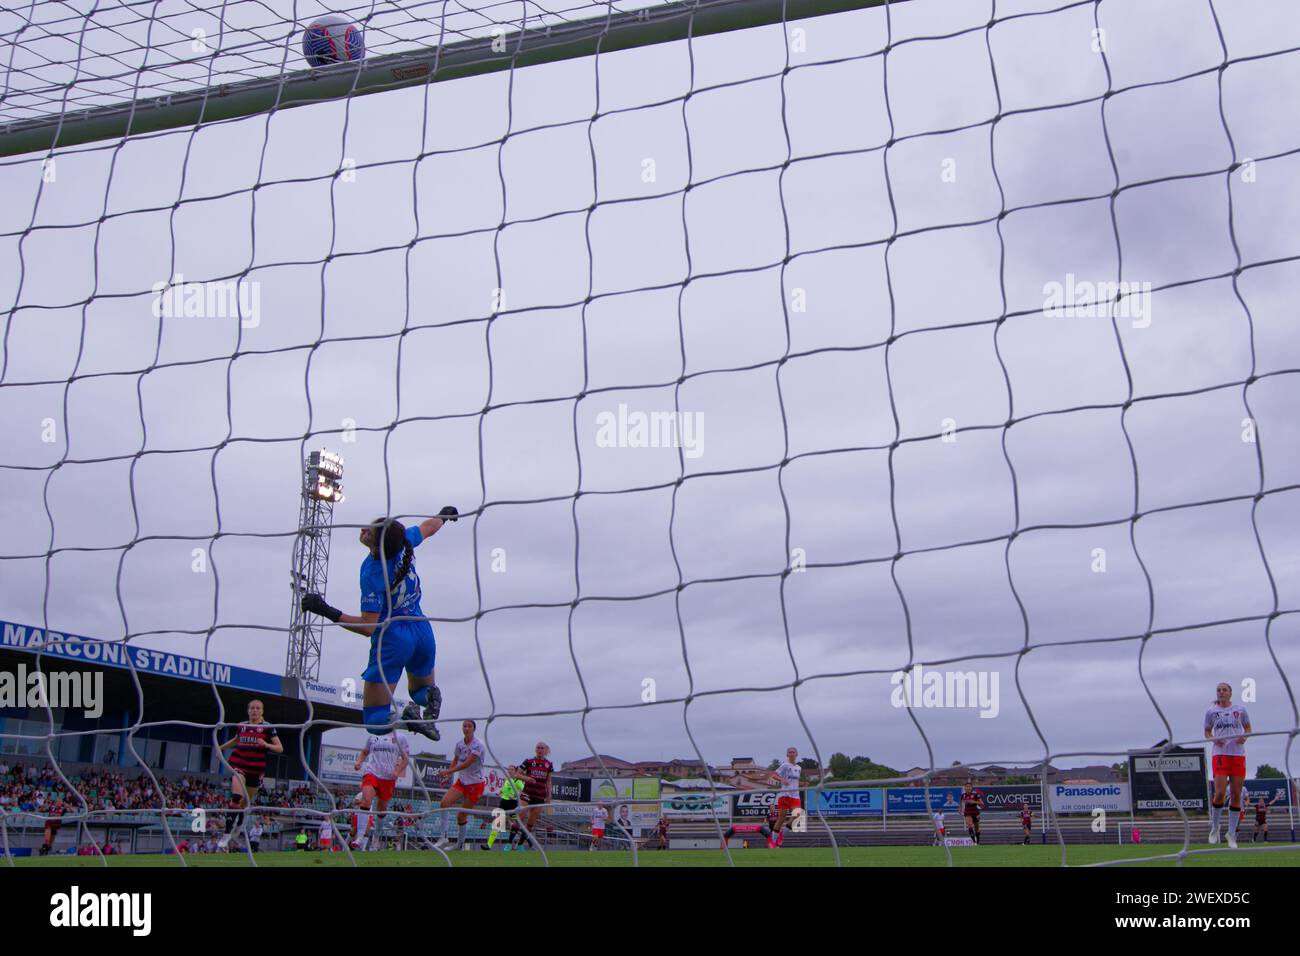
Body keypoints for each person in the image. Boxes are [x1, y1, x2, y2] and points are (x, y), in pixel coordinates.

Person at [301, 507, 459, 740]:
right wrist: (443, 516)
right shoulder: (405, 542)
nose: (364, 530)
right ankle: (431, 698)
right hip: (422, 630)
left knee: (375, 720)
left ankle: (407, 720)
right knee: (419, 692)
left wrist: (326, 610)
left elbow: (368, 627)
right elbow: (428, 528)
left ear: (377, 547)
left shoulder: (373, 572)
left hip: (392, 638)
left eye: (370, 533)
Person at [216, 699, 282, 849]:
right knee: (235, 799)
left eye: (258, 708)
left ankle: (240, 822)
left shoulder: (267, 727)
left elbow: (279, 748)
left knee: (244, 804)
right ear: (248, 710)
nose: (254, 710)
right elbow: (236, 740)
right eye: (252, 708)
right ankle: (226, 835)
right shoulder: (242, 725)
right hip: (239, 766)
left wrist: (266, 745)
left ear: (262, 711)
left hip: (256, 770)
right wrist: (220, 748)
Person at [1204, 682, 1251, 848]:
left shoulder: (1240, 710)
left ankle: (1231, 834)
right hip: (1220, 754)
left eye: (1224, 690)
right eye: (1218, 690)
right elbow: (1207, 732)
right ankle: (1215, 827)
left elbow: (1248, 728)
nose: (1221, 692)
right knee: (1220, 793)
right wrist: (1214, 739)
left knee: (1236, 794)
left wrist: (1244, 737)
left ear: (1230, 693)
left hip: (1237, 755)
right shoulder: (1211, 712)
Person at [351, 729, 409, 849]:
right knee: (366, 801)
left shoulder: (400, 737)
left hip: (388, 777)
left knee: (382, 808)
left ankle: (377, 835)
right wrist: (358, 762)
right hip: (371, 772)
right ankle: (360, 836)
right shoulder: (373, 735)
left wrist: (397, 771)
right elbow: (364, 752)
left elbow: (406, 758)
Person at [434, 719, 486, 851]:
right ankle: (444, 837)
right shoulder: (459, 745)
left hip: (476, 784)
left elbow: (467, 763)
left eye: (469, 726)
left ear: (474, 729)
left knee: (461, 816)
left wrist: (448, 771)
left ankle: (459, 845)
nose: (466, 728)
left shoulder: (478, 744)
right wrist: (448, 776)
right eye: (464, 726)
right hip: (462, 782)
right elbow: (456, 760)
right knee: (444, 802)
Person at [513, 741, 553, 851]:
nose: (540, 750)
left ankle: (520, 845)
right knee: (520, 816)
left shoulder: (548, 764)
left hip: (540, 796)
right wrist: (527, 778)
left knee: (531, 823)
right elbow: (516, 774)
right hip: (527, 793)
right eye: (538, 748)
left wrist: (549, 796)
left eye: (542, 748)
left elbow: (549, 781)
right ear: (535, 749)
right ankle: (508, 843)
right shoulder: (529, 761)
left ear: (545, 750)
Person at [767, 747, 802, 848]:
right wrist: (782, 779)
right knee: (781, 819)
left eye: (793, 752)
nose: (791, 754)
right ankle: (774, 843)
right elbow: (773, 775)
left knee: (798, 815)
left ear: (796, 754)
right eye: (789, 752)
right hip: (785, 795)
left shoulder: (799, 768)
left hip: (795, 796)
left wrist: (803, 784)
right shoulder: (785, 765)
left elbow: (795, 781)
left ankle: (782, 834)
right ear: (787, 755)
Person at [487, 771, 524, 851]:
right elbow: (504, 789)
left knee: (515, 824)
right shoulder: (507, 780)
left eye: (512, 770)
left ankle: (524, 837)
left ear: (515, 771)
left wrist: (514, 796)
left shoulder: (518, 781)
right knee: (497, 822)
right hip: (503, 802)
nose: (510, 772)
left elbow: (522, 790)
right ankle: (488, 845)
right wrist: (500, 792)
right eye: (509, 770)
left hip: (512, 803)